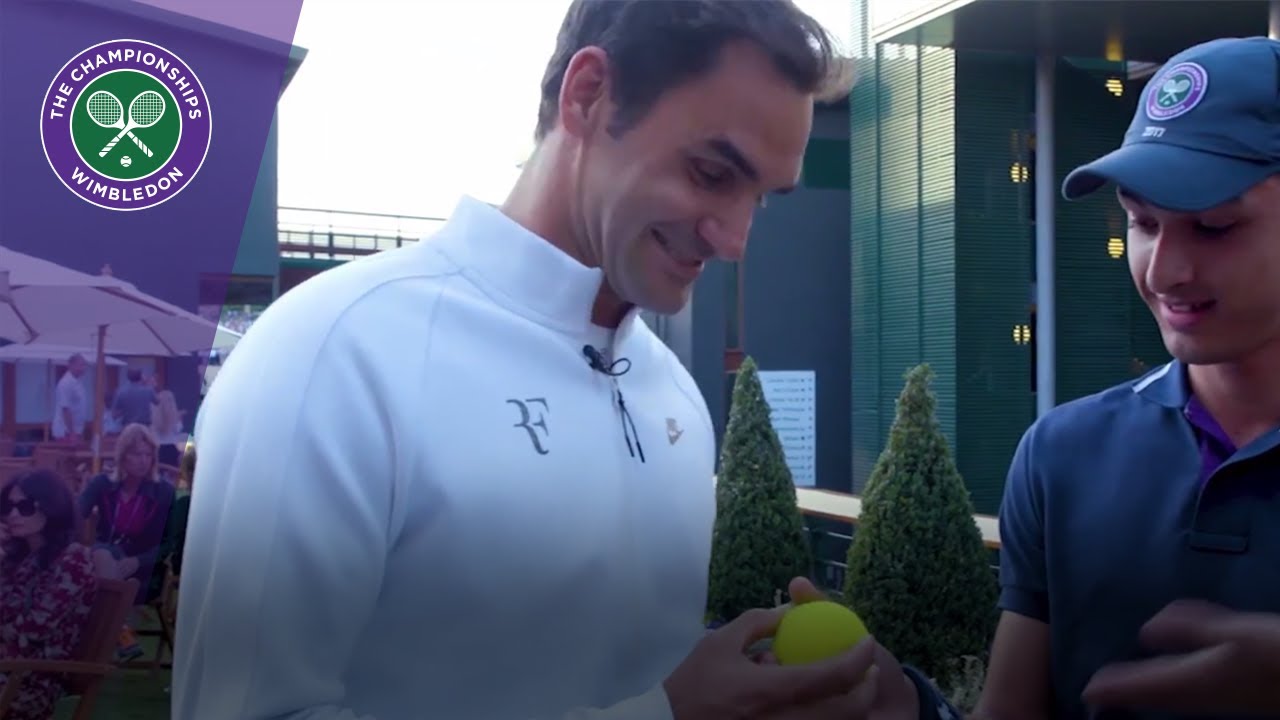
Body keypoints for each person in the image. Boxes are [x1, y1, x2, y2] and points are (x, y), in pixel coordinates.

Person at [173, 2, 879, 719]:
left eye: (762, 198)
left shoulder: (675, 398)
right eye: (710, 172)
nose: (735, 239)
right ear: (587, 96)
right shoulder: (332, 352)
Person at [833, 36, 1280, 720]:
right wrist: (910, 707)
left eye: (1215, 228)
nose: (1163, 273)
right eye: (1143, 223)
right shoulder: (1062, 455)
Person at [0, 469, 98, 720]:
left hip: (32, 680)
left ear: (50, 508)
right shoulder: (17, 558)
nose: (12, 515)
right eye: (7, 507)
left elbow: (34, 630)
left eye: (24, 507)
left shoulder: (73, 559)